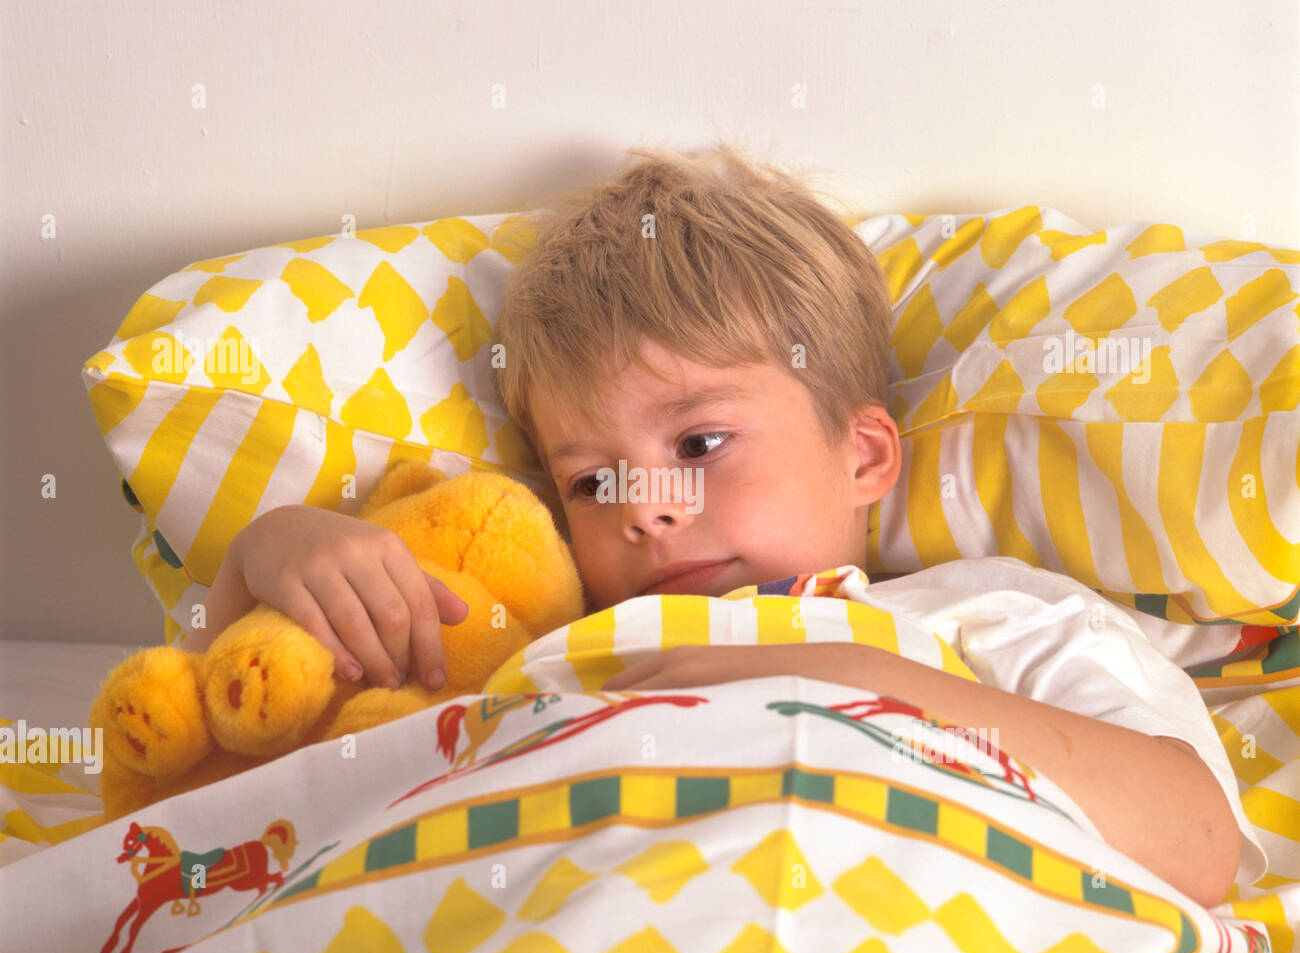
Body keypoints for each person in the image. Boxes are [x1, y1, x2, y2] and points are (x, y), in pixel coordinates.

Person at [186, 144, 1260, 909]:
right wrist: (263, 559)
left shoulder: (987, 615)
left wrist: (857, 680)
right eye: (593, 480)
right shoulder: (529, 638)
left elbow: (1197, 843)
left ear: (864, 455)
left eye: (700, 447)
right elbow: (242, 811)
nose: (650, 509)